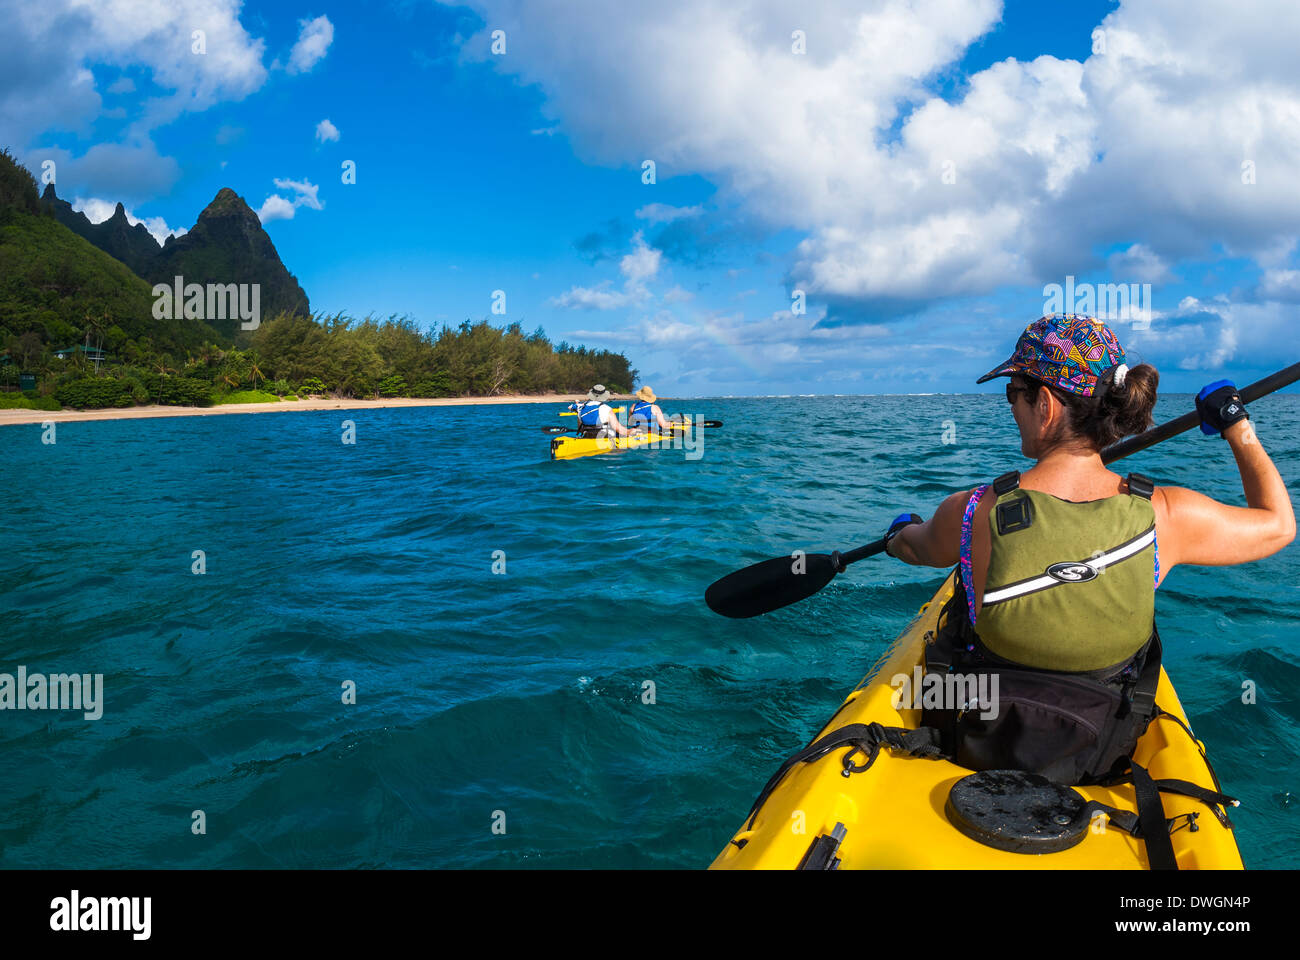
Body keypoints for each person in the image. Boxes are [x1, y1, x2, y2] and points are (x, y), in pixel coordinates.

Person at [879, 314, 1294, 790]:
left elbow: (917, 550)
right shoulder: (1165, 515)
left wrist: (899, 535)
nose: (1011, 406)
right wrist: (1236, 426)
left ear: (1046, 405)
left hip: (980, 743)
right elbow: (1278, 525)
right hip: (1101, 754)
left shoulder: (973, 510)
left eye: (1014, 393)